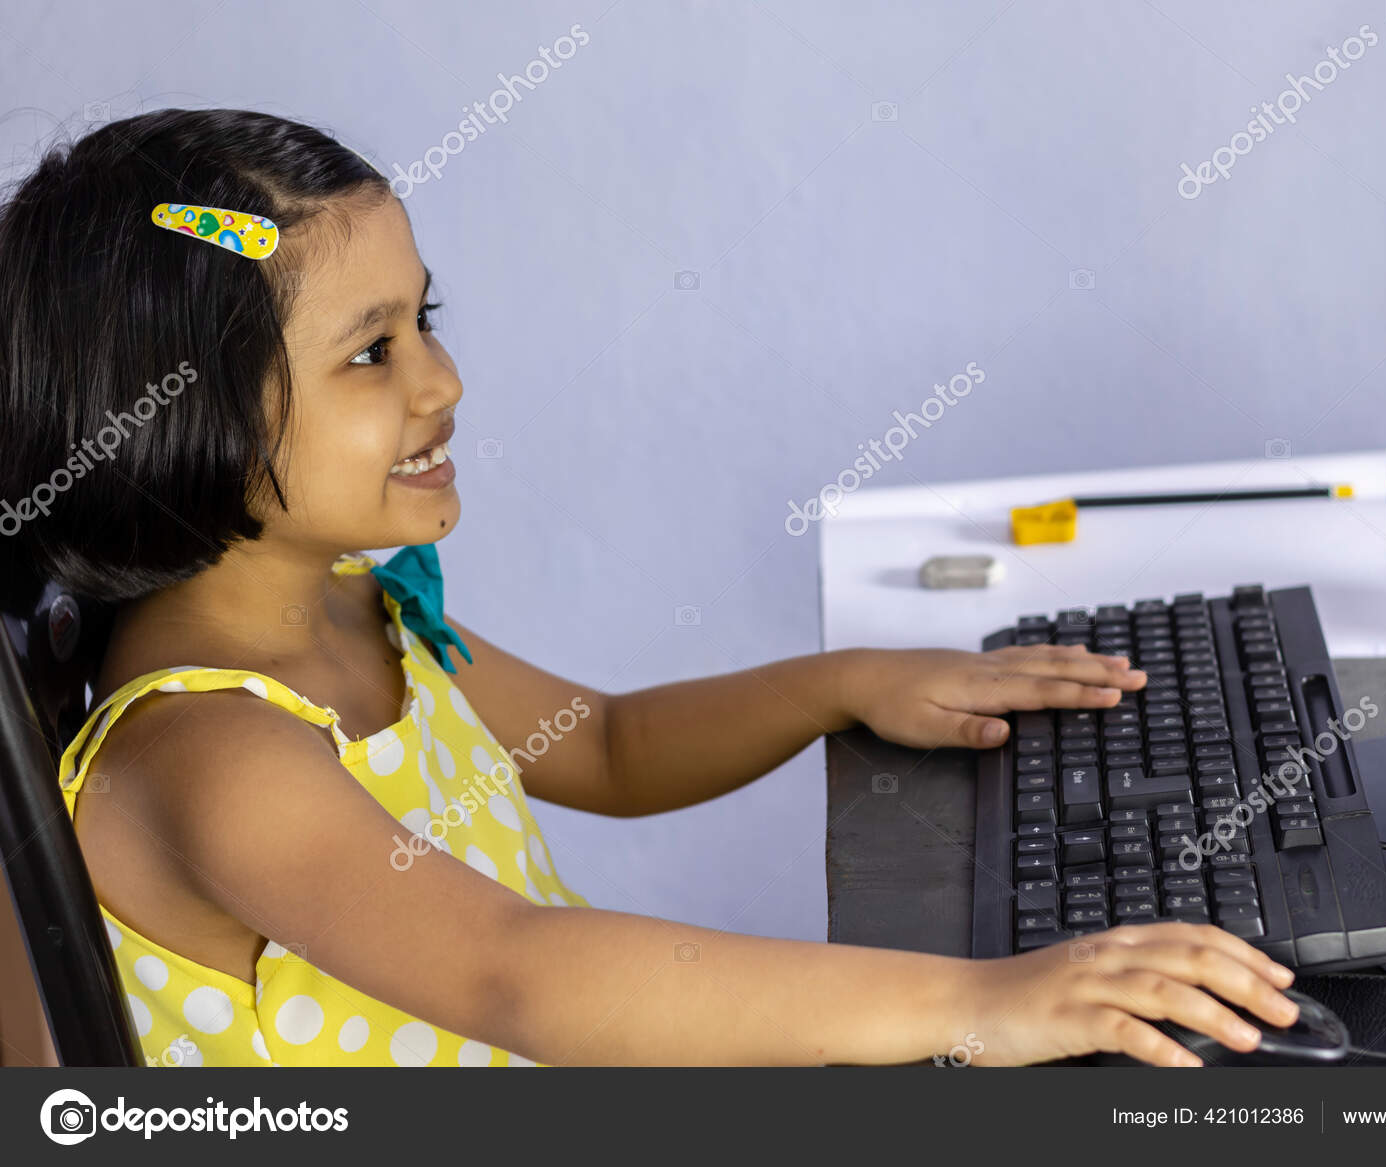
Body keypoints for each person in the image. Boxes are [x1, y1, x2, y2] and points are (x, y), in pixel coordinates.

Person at [0, 108, 1298, 1067]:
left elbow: (609, 746)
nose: (441, 380)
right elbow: (512, 974)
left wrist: (841, 683)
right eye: (371, 352)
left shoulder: (352, 614)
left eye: (427, 318)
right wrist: (979, 1002)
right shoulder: (208, 751)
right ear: (181, 419)